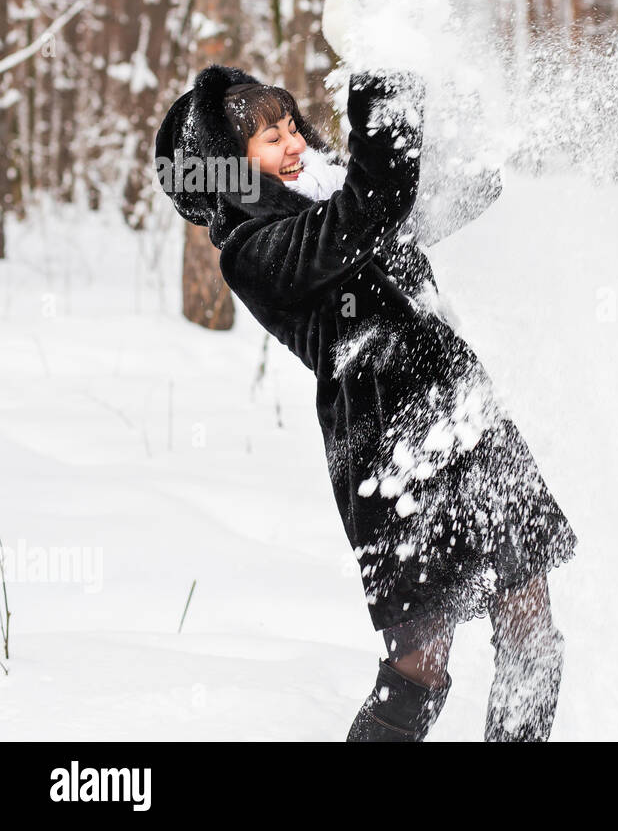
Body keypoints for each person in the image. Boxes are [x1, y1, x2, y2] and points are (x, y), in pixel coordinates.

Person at [154, 57, 576, 742]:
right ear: (226, 167)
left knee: (530, 619)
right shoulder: (254, 248)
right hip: (388, 449)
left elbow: (430, 197)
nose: (292, 142)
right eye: (268, 138)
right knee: (420, 665)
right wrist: (383, 87)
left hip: (463, 409)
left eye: (290, 124)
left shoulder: (332, 194)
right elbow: (370, 210)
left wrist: (474, 128)